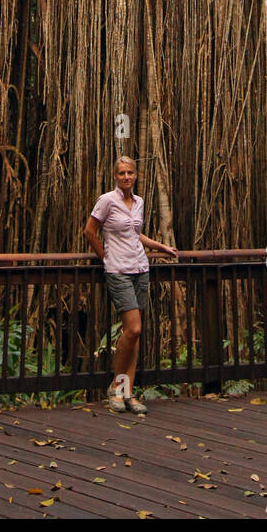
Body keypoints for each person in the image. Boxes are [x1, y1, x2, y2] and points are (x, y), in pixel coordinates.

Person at [85, 156, 178, 414]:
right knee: (134, 329)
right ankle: (116, 386)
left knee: (134, 333)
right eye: (122, 173)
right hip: (119, 272)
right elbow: (89, 231)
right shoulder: (106, 201)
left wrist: (160, 247)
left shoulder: (139, 202)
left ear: (136, 175)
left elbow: (135, 234)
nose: (126, 177)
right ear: (115, 176)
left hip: (140, 268)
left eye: (130, 173)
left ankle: (128, 392)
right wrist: (106, 257)